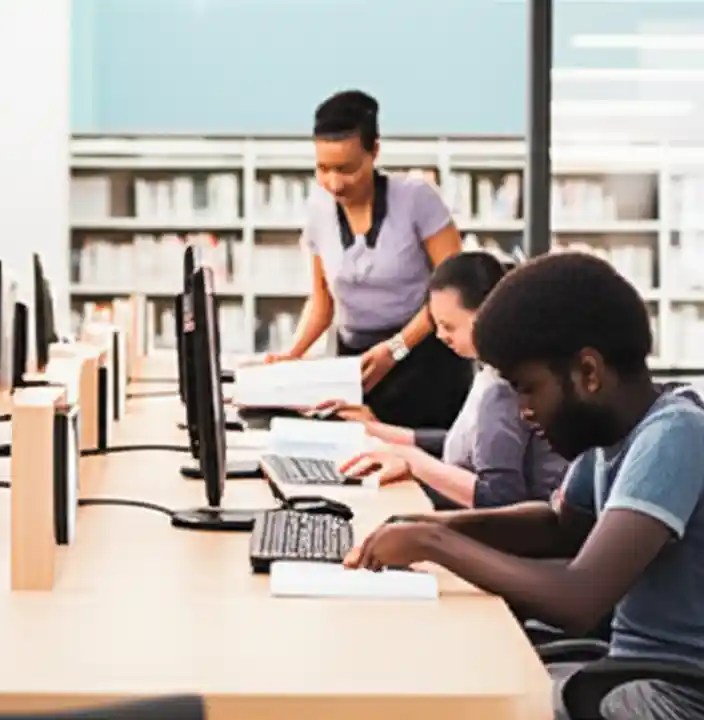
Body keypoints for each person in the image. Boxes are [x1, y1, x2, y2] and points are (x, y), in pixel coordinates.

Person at [344, 252, 704, 719]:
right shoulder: (614, 433)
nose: (523, 411)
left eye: (528, 388)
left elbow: (579, 597)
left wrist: (433, 544)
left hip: (674, 697)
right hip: (628, 676)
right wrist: (429, 525)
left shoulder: (675, 435)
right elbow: (559, 526)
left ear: (589, 373)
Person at [268, 89, 471, 429]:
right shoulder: (318, 210)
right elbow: (322, 302)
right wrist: (292, 355)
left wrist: (396, 349)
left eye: (346, 169)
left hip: (423, 360)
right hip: (356, 366)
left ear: (374, 150)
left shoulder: (417, 198)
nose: (334, 183)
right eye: (323, 168)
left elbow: (454, 289)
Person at [332, 252, 568, 510]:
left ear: (485, 317)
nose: (440, 336)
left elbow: (499, 499)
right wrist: (378, 431)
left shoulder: (504, 387)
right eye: (437, 325)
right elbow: (467, 444)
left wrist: (412, 460)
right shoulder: (491, 369)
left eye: (449, 326)